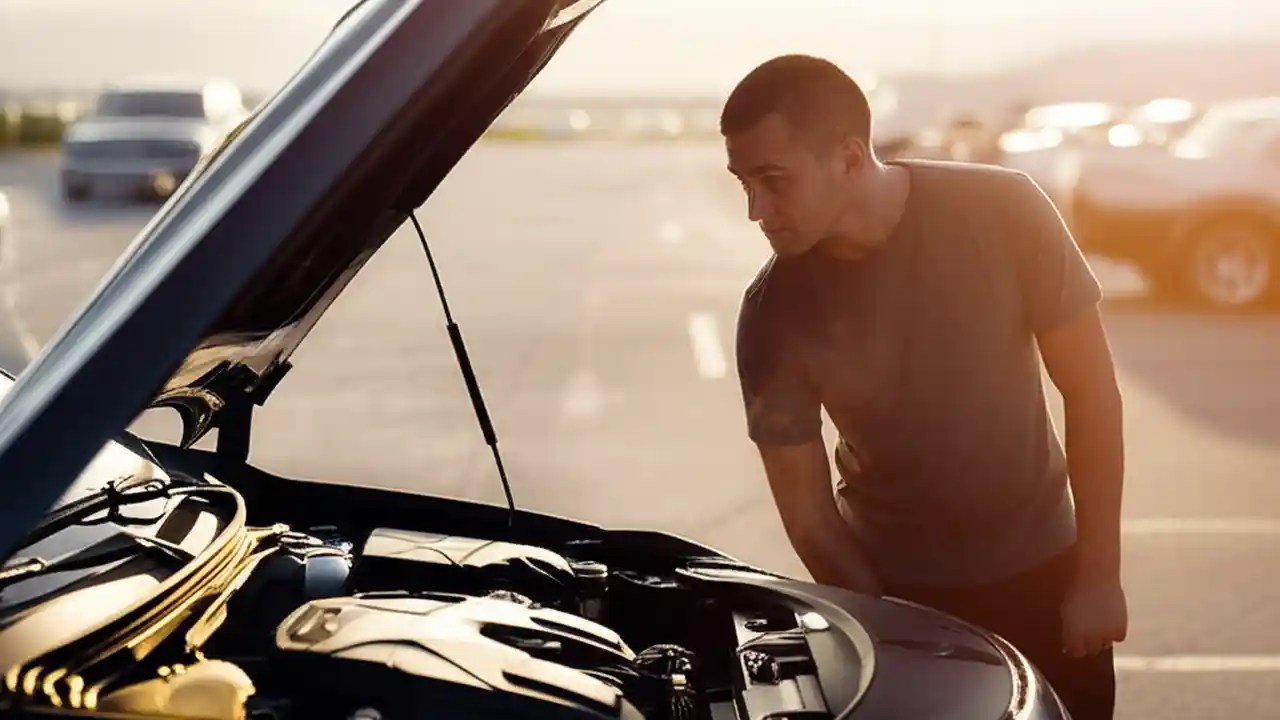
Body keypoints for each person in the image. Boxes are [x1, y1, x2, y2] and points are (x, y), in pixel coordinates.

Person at [723, 54, 1126, 720]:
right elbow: (810, 515)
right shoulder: (771, 314)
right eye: (743, 183)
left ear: (850, 159)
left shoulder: (1005, 209)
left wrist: (1098, 576)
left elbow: (1092, 393)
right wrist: (891, 629)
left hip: (1050, 582)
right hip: (901, 599)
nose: (755, 210)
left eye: (773, 181)